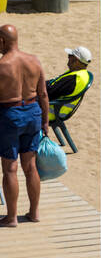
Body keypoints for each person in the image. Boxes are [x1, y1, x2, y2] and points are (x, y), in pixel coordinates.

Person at [0, 25, 49, 226]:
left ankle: (11, 217)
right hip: (33, 112)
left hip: (10, 115)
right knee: (30, 167)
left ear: (2, 41)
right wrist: (45, 121)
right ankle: (34, 213)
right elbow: (43, 94)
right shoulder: (34, 60)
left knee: (10, 168)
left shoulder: (2, 65)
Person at [47, 46, 92, 121]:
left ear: (76, 61)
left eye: (70, 56)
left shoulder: (73, 79)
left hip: (50, 112)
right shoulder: (82, 74)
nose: (68, 58)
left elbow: (49, 94)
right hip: (56, 109)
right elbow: (54, 84)